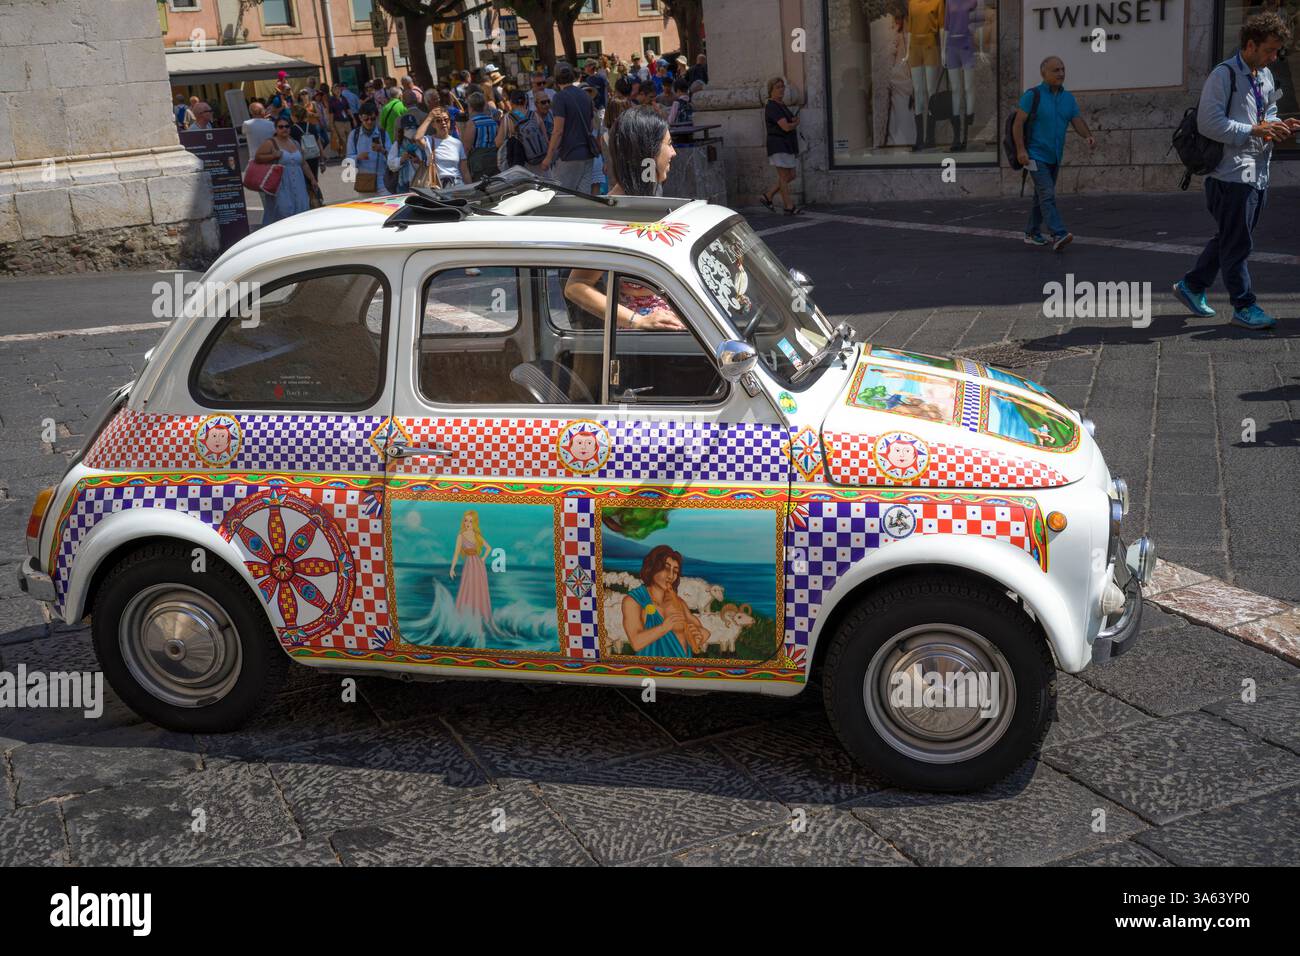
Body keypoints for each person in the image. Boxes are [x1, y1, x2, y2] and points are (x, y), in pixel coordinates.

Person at [1175, 12, 1298, 330]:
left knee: (1231, 237)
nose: (1274, 57)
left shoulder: (1265, 76)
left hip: (1258, 172)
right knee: (1238, 242)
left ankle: (1192, 285)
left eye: (1277, 52)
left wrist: (1277, 125)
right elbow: (1209, 123)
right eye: (1270, 50)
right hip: (1230, 175)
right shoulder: (1223, 75)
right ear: (1250, 44)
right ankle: (1244, 305)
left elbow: (1267, 110)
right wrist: (1255, 130)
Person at [1012, 56, 1096, 252]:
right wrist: (1021, 150)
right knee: (1047, 194)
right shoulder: (1032, 95)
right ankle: (1058, 233)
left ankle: (1031, 232)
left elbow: (1076, 120)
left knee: (1041, 195)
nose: (1061, 74)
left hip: (1054, 156)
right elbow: (1018, 123)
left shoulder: (1068, 98)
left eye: (1063, 69)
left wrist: (1088, 136)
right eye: (1056, 70)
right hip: (1035, 155)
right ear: (1044, 73)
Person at [619, 546, 700, 657]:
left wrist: (697, 637)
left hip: (682, 669)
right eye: (666, 569)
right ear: (652, 567)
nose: (671, 576)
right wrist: (664, 627)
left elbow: (702, 633)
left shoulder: (679, 602)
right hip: (650, 669)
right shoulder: (634, 601)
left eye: (675, 571)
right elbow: (636, 643)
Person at [542, 65, 598, 193]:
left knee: (560, 198)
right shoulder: (585, 96)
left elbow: (558, 131)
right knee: (583, 200)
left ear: (556, 80)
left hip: (570, 155)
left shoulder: (559, 97)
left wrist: (549, 157)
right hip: (588, 154)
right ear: (573, 77)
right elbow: (591, 126)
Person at [448, 511, 504, 638]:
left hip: (478, 566)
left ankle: (480, 623)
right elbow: (456, 553)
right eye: (466, 520)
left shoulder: (477, 535)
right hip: (469, 565)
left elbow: (489, 548)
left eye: (470, 521)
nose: (467, 523)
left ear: (475, 523)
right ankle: (464, 622)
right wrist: (452, 568)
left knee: (479, 591)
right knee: (467, 590)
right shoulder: (461, 536)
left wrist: (483, 559)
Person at [255, 115, 318, 225]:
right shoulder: (270, 143)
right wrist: (273, 156)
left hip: (298, 185)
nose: (284, 129)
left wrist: (312, 179)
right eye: (281, 127)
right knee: (283, 212)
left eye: (287, 126)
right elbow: (258, 158)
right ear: (276, 129)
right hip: (281, 185)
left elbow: (303, 163)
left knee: (301, 210)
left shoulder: (295, 143)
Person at [759, 76, 801, 215]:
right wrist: (795, 124)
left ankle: (768, 196)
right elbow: (785, 127)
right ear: (771, 90)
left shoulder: (781, 105)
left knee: (792, 175)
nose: (781, 89)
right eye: (778, 87)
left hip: (786, 145)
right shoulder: (772, 106)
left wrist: (793, 120)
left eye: (783, 86)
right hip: (778, 144)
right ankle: (789, 206)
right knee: (784, 177)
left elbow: (788, 121)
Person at [345, 103, 391, 195]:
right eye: (366, 119)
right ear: (360, 118)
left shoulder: (383, 134)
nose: (369, 122)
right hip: (364, 182)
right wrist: (358, 157)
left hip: (384, 183)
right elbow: (348, 160)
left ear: (377, 118)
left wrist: (382, 150)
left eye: (372, 119)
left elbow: (392, 158)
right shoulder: (354, 135)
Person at [419, 108, 470, 186]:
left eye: (446, 120)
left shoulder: (457, 143)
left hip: (457, 185)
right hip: (438, 186)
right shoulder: (429, 140)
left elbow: (465, 171)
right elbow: (417, 138)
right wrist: (429, 117)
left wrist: (470, 188)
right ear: (433, 124)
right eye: (438, 121)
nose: (443, 123)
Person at [387, 113, 433, 191]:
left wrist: (419, 162)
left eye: (413, 127)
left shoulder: (423, 142)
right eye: (407, 128)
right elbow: (390, 164)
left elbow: (430, 162)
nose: (411, 130)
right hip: (404, 187)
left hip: (421, 184)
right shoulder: (398, 144)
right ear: (402, 130)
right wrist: (401, 159)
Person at [462, 90, 500, 181]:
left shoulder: (472, 123)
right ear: (484, 106)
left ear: (470, 107)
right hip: (494, 161)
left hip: (478, 164)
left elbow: (466, 148)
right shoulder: (494, 122)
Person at [290, 104, 328, 183]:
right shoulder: (311, 126)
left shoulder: (292, 129)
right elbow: (319, 143)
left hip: (301, 158)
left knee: (303, 182)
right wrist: (322, 160)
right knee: (313, 179)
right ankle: (314, 194)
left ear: (294, 116)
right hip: (313, 156)